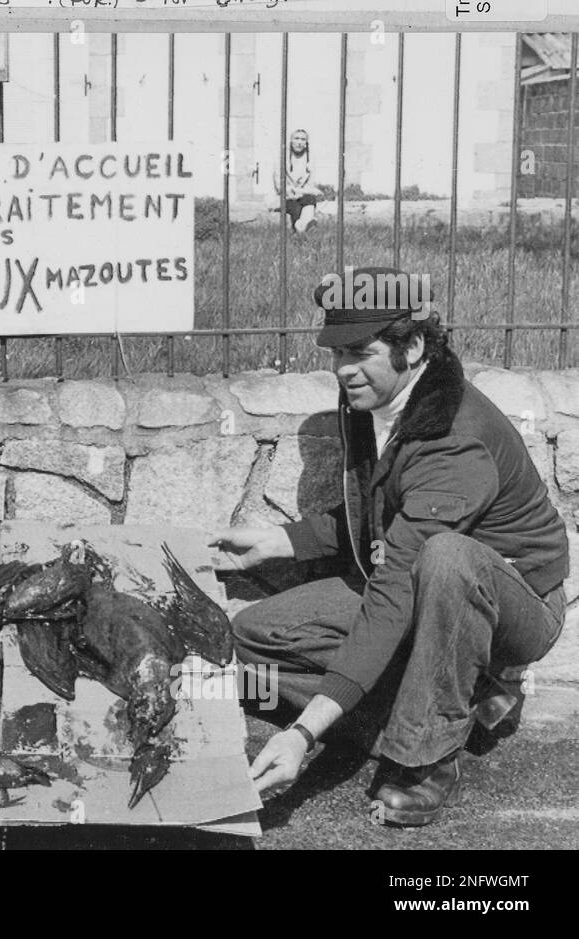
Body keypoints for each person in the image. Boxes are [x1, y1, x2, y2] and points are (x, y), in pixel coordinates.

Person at [209, 267, 569, 826]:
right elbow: (378, 517)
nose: (343, 368)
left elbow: (396, 588)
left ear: (414, 346)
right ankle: (449, 701)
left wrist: (303, 734)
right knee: (250, 638)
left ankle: (425, 756)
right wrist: (284, 540)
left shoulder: (454, 436)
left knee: (447, 557)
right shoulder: (374, 398)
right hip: (421, 585)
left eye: (360, 351)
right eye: (335, 352)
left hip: (511, 602)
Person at [272, 129, 323, 234]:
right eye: (296, 138)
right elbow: (279, 185)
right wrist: (294, 191)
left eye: (303, 139)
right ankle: (301, 231)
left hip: (303, 195)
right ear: (291, 141)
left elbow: (311, 185)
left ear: (306, 143)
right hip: (287, 196)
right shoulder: (282, 157)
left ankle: (303, 226)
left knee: (310, 199)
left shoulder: (310, 159)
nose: (299, 142)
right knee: (296, 208)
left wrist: (302, 192)